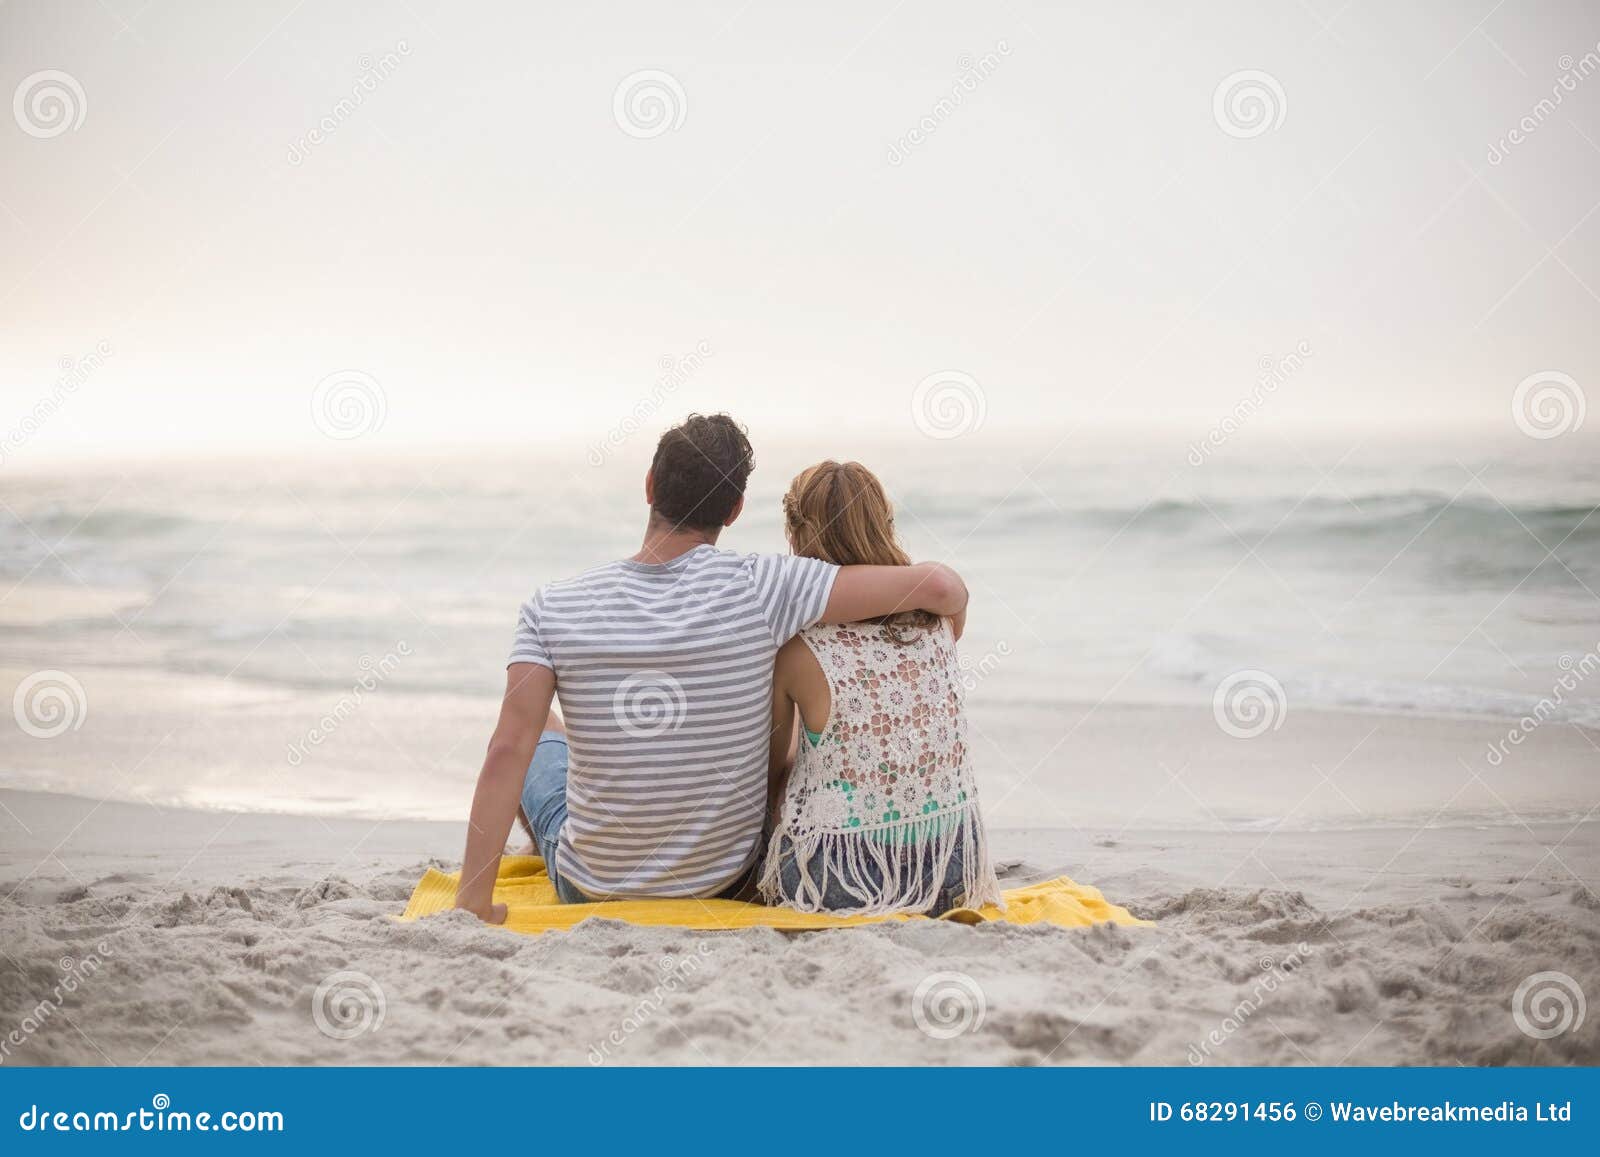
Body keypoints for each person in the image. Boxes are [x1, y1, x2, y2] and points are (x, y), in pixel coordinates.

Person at [453, 414, 969, 921]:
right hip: (727, 880)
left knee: (535, 730)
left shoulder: (552, 607)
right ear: (736, 509)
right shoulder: (768, 586)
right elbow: (941, 589)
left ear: (650, 486)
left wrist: (473, 903)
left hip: (591, 887)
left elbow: (506, 750)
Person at [758, 460, 1002, 916]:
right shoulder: (939, 619)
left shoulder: (795, 650)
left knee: (797, 746)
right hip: (953, 866)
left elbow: (771, 775)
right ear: (886, 525)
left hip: (843, 879)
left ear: (794, 535)